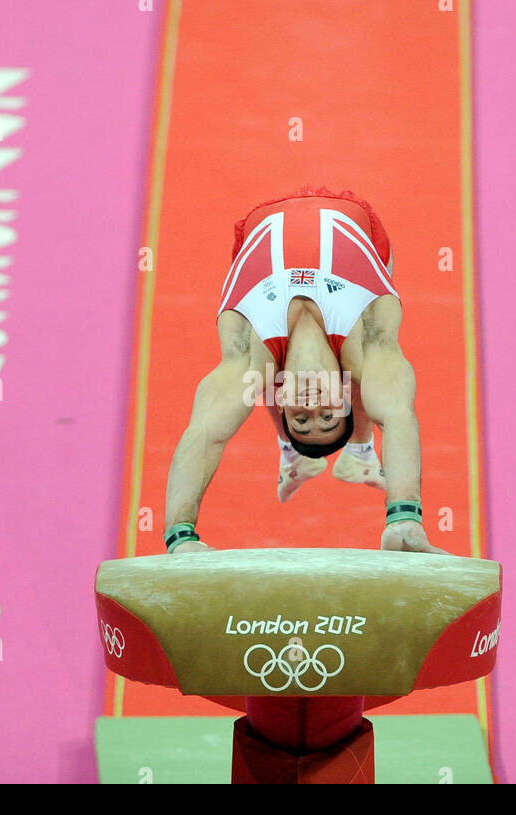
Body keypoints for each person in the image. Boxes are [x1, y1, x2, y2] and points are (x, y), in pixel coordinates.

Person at [162, 186, 446, 555]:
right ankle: (361, 450)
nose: (312, 408)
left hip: (256, 229)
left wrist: (179, 538)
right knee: (374, 377)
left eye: (301, 418)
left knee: (258, 376)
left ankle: (318, 451)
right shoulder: (371, 334)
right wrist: (403, 517)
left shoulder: (249, 358)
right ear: (344, 396)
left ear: (282, 402)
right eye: (327, 416)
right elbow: (397, 414)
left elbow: (205, 433)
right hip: (364, 231)